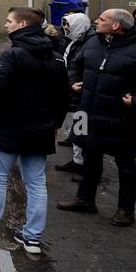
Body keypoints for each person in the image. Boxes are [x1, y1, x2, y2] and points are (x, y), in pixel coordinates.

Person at [0, 8, 69, 254]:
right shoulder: (57, 57)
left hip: (9, 128)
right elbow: (63, 97)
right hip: (41, 129)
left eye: (9, 21)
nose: (5, 25)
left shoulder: (14, 55)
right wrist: (56, 126)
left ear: (22, 24)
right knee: (36, 182)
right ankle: (32, 238)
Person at [58, 9, 136, 226]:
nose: (96, 21)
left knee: (126, 166)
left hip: (123, 119)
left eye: (102, 19)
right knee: (90, 159)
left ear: (116, 26)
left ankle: (125, 210)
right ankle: (84, 199)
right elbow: (76, 65)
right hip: (89, 114)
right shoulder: (93, 43)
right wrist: (73, 82)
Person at [55, 12, 92, 175]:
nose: (65, 28)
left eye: (68, 25)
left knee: (81, 130)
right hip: (70, 92)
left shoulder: (88, 44)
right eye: (64, 25)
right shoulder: (72, 42)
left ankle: (83, 165)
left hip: (79, 96)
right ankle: (77, 161)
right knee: (74, 129)